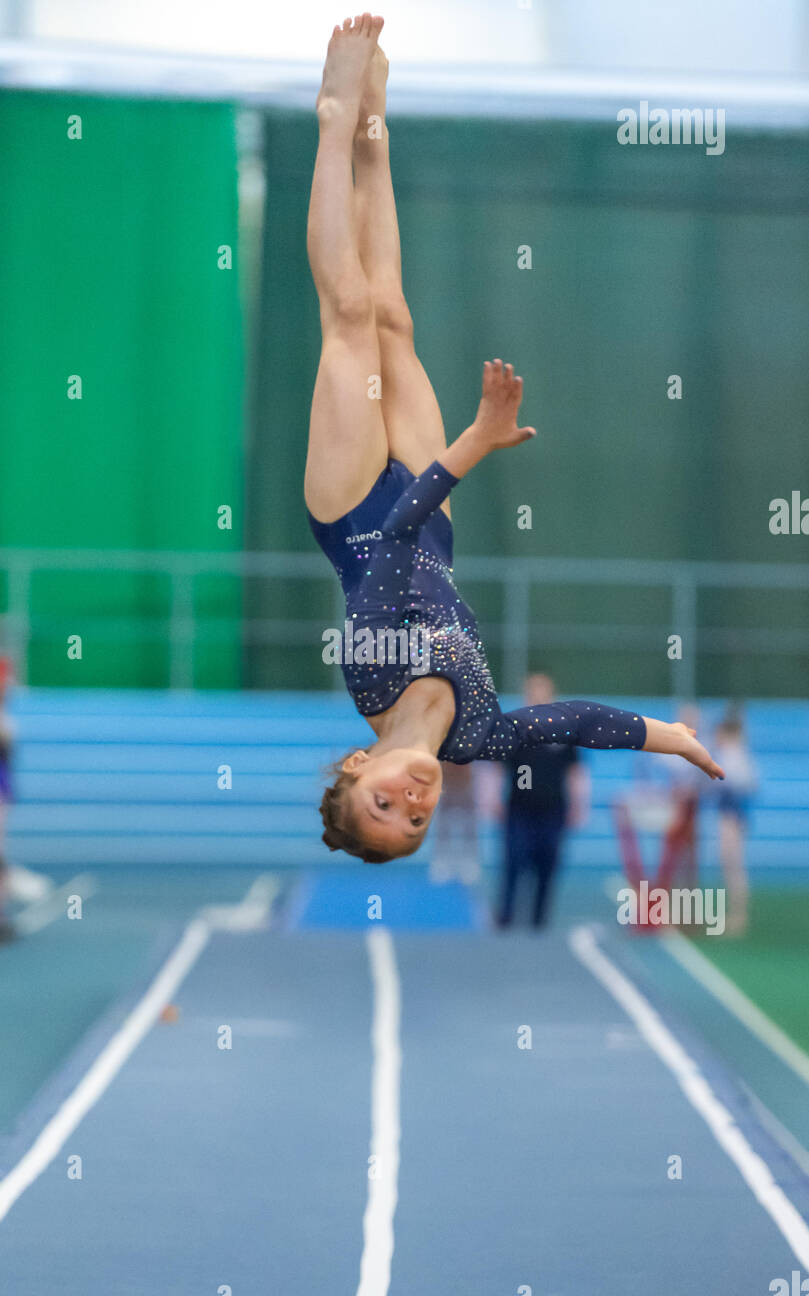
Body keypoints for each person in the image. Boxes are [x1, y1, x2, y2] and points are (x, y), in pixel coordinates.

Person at [305, 15, 724, 864]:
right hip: (435, 516)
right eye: (413, 822)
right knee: (393, 314)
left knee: (348, 319)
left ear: (357, 764)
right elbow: (572, 721)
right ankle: (375, 127)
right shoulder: (478, 737)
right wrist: (665, 733)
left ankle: (330, 118)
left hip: (356, 512)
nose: (413, 802)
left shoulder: (371, 677)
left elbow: (390, 543)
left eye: (383, 802)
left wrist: (473, 441)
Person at [493, 673, 589, 929]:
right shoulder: (514, 728)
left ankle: (539, 919)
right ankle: (506, 916)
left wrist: (579, 805)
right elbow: (498, 768)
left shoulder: (565, 731)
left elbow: (575, 771)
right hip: (519, 809)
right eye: (532, 693)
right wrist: (493, 799)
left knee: (547, 864)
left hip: (553, 809)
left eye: (542, 693)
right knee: (514, 860)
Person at [712, 708, 758, 935]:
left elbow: (744, 786)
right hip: (730, 814)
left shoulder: (734, 755)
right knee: (730, 864)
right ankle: (737, 914)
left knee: (733, 865)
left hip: (732, 816)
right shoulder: (734, 754)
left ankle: (738, 916)